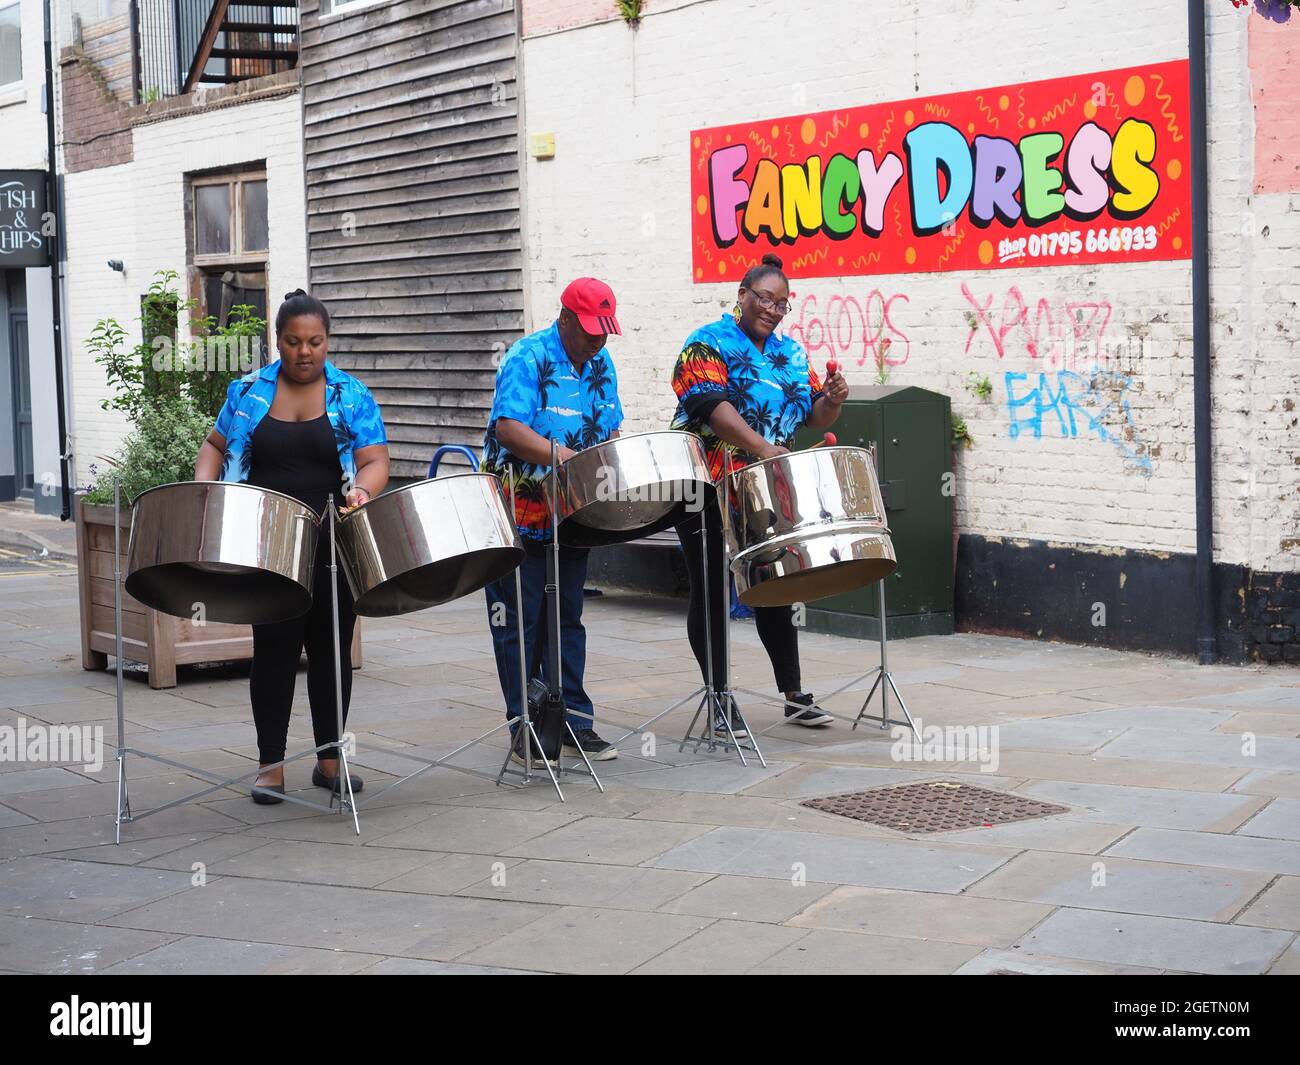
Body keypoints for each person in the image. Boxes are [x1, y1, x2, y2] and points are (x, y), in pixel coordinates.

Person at [194, 289, 389, 803]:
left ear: (328, 342)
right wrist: (209, 493)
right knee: (274, 651)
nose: (305, 352)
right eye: (294, 342)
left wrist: (364, 490)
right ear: (277, 341)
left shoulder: (350, 394)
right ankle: (270, 766)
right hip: (269, 541)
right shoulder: (248, 391)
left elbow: (373, 459)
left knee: (331, 652)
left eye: (316, 342)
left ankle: (329, 760)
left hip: (332, 541)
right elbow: (214, 447)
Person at [669, 253, 850, 734]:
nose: (772, 309)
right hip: (705, 482)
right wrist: (761, 446)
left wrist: (832, 398)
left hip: (766, 484)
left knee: (774, 583)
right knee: (710, 588)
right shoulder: (706, 342)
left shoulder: (790, 353)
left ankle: (793, 694)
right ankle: (719, 697)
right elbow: (710, 406)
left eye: (782, 303)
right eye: (765, 298)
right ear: (743, 294)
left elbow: (814, 415)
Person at [482, 278, 625, 766]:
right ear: (565, 319)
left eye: (604, 332)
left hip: (572, 514)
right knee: (520, 624)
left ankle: (572, 723)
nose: (597, 341)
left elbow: (610, 429)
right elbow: (508, 428)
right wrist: (559, 455)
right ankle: (526, 726)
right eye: (589, 331)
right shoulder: (528, 357)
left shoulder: (602, 364)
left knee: (567, 618)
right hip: (519, 514)